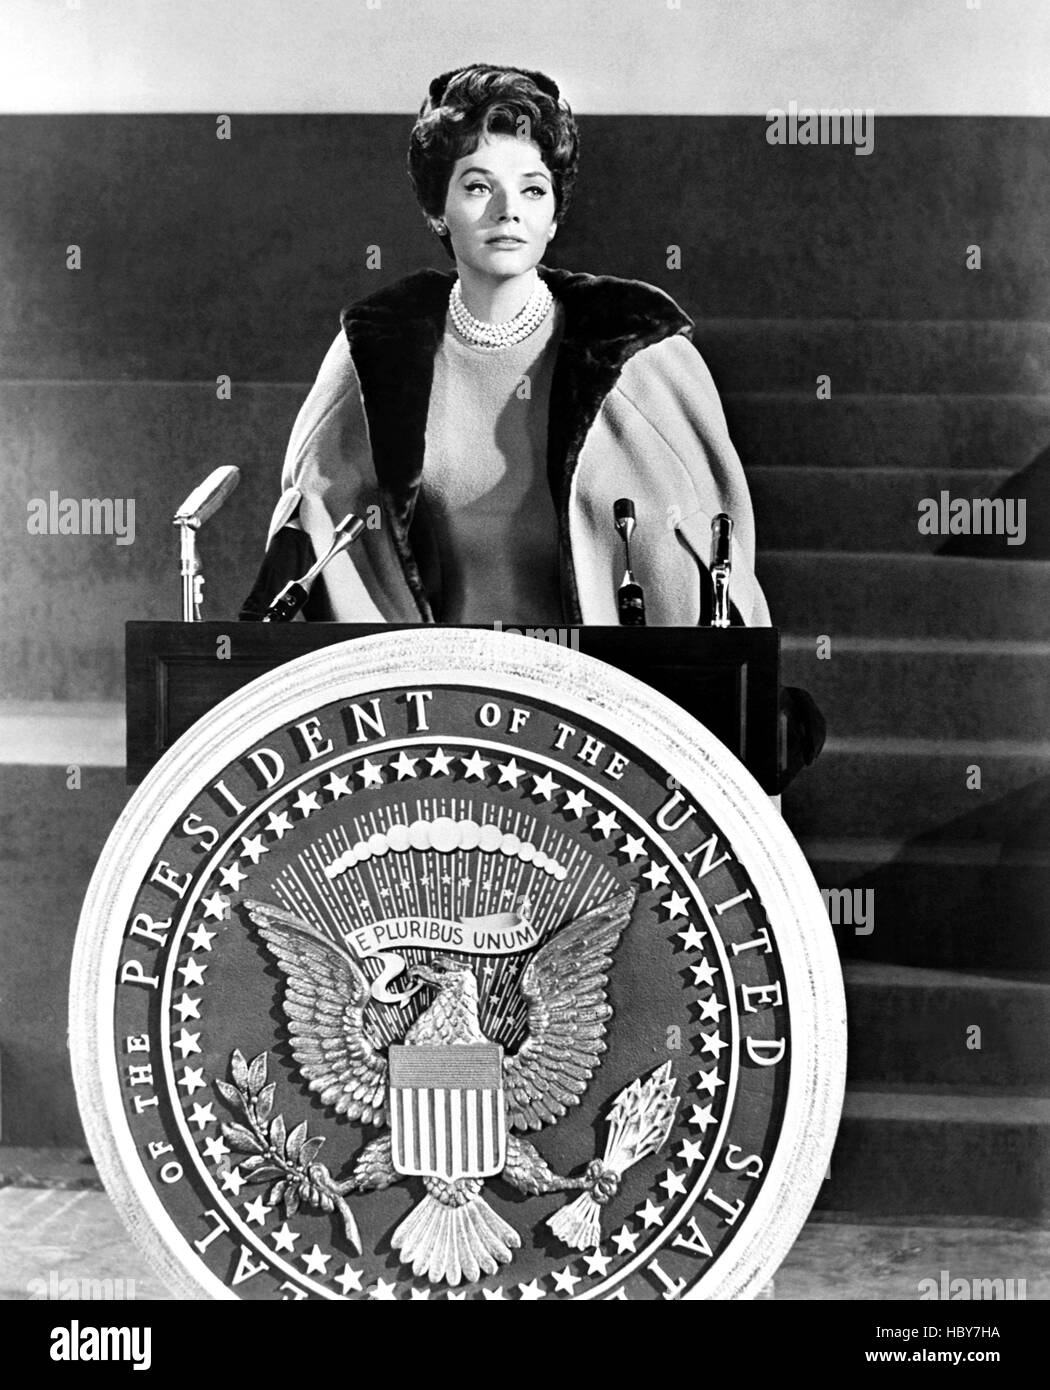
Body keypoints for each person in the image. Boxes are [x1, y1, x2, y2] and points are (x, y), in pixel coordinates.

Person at [240, 63, 823, 781]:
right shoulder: (374, 354)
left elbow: (717, 584)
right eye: (478, 186)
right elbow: (312, 548)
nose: (506, 211)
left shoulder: (642, 355)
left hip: (608, 741)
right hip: (427, 739)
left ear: (554, 214)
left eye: (532, 189)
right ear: (438, 209)